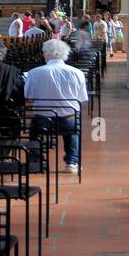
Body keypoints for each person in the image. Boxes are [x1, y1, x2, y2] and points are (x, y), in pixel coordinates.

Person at [23, 38, 88, 173]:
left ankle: (36, 161)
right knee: (74, 129)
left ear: (46, 54)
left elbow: (28, 97)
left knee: (34, 131)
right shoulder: (77, 73)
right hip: (68, 119)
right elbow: (81, 99)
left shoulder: (34, 72)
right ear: (65, 54)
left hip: (43, 120)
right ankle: (72, 162)